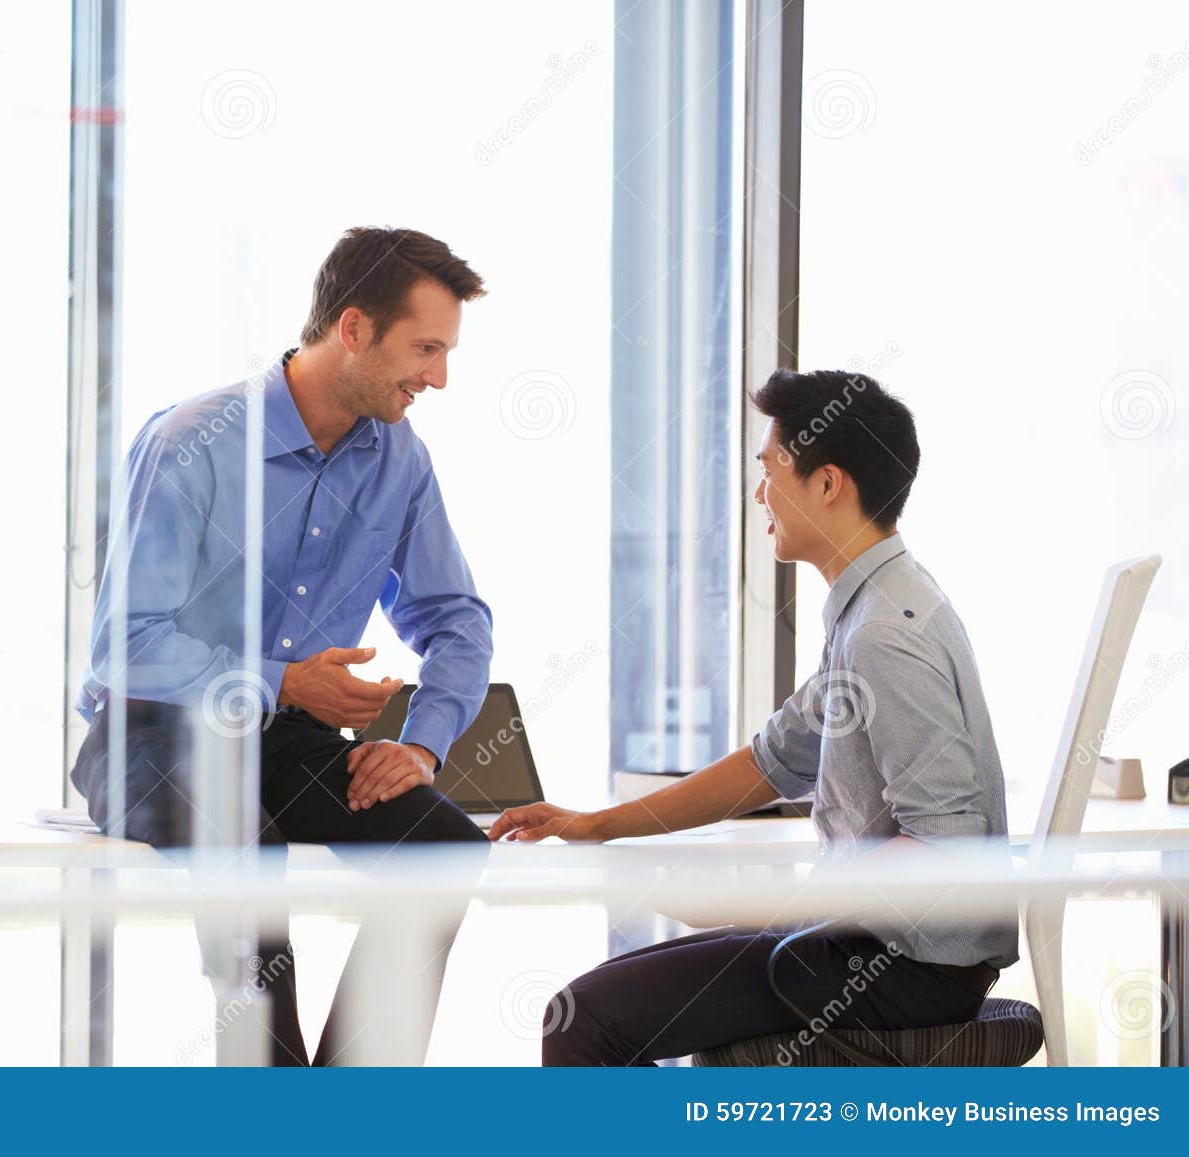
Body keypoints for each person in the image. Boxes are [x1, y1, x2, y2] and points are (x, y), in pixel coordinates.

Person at [491, 369, 1019, 1065]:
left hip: (902, 968)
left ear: (828, 484)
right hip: (872, 946)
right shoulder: (876, 605)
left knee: (581, 1021)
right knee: (596, 1008)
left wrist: (779, 905)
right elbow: (768, 762)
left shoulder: (884, 633)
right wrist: (597, 825)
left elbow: (945, 845)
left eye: (769, 469)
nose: (758, 492)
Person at [69, 227, 494, 1066]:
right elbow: (122, 645)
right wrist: (285, 682)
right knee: (242, 843)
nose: (439, 376)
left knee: (445, 849)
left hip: (277, 740)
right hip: (152, 733)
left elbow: (458, 619)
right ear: (353, 328)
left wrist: (420, 746)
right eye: (426, 348)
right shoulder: (191, 442)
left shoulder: (398, 460)